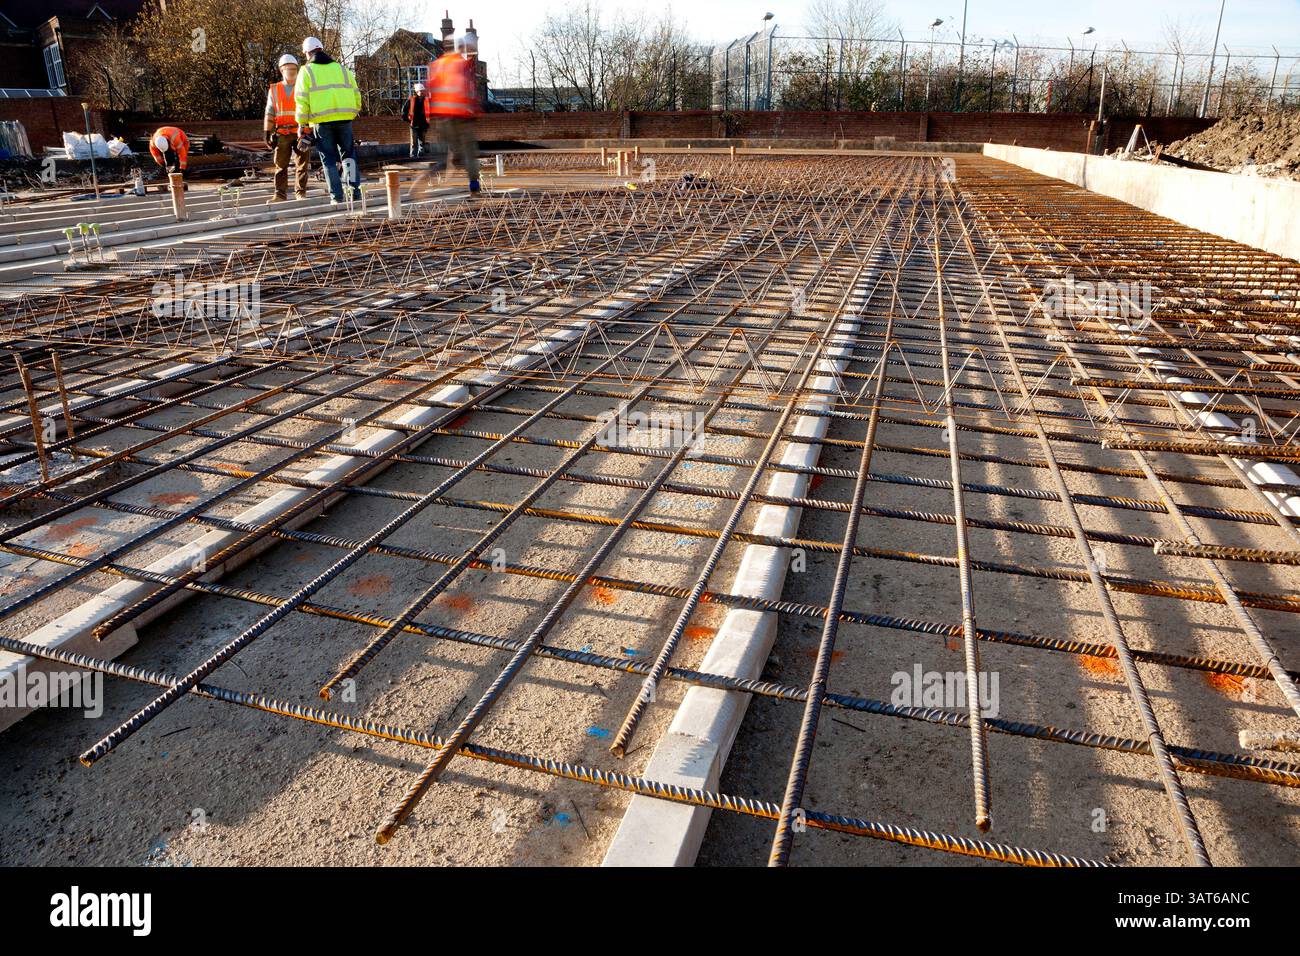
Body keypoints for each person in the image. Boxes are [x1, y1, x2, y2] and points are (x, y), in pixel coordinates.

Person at [294, 36, 361, 204]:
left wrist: (302, 124)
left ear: (308, 53)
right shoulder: (342, 69)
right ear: (321, 49)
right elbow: (356, 93)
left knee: (328, 159)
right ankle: (354, 193)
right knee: (349, 157)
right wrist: (352, 113)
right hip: (345, 120)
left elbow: (302, 100)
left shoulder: (306, 71)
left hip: (321, 123)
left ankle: (337, 197)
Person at [426, 33, 481, 196]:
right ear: (462, 48)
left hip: (441, 118)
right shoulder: (461, 65)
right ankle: (474, 187)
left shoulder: (436, 65)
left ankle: (430, 174)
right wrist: (474, 110)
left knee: (451, 153)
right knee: (469, 152)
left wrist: (432, 117)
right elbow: (467, 91)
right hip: (461, 117)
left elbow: (430, 90)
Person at [264, 53, 310, 203]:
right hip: (282, 132)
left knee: (302, 164)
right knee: (280, 165)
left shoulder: (303, 86)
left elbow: (311, 108)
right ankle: (280, 194)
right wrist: (267, 132)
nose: (290, 71)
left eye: (293, 68)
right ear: (281, 70)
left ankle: (300, 192)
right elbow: (269, 112)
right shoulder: (275, 89)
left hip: (301, 131)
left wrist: (311, 130)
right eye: (287, 68)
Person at [401, 82, 431, 159]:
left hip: (423, 124)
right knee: (414, 142)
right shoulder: (411, 100)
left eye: (423, 90)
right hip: (414, 124)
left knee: (422, 141)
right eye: (420, 91)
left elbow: (430, 111)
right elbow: (404, 111)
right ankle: (413, 156)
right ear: (417, 92)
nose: (422, 92)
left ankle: (421, 155)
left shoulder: (427, 100)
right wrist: (407, 119)